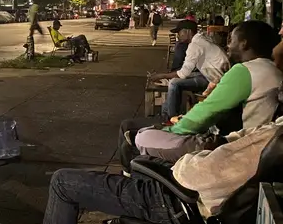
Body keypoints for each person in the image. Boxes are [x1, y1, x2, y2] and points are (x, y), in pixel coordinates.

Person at [6, 116, 283, 224]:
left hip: (175, 200)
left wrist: (189, 157)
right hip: (189, 200)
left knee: (63, 182)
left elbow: (197, 172)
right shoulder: (275, 132)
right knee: (139, 161)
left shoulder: (274, 138)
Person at [120, 20, 283, 168]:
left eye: (232, 40)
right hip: (255, 143)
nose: (228, 46)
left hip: (237, 147)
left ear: (244, 44)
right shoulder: (271, 71)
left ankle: (135, 182)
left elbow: (206, 112)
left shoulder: (246, 71)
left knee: (139, 136)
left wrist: (169, 129)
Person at [148, 20, 229, 119]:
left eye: (180, 32)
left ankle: (172, 117)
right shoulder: (203, 38)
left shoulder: (195, 45)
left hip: (215, 80)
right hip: (214, 75)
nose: (178, 35)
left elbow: (183, 74)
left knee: (174, 83)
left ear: (188, 31)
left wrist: (162, 75)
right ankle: (167, 110)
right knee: (178, 79)